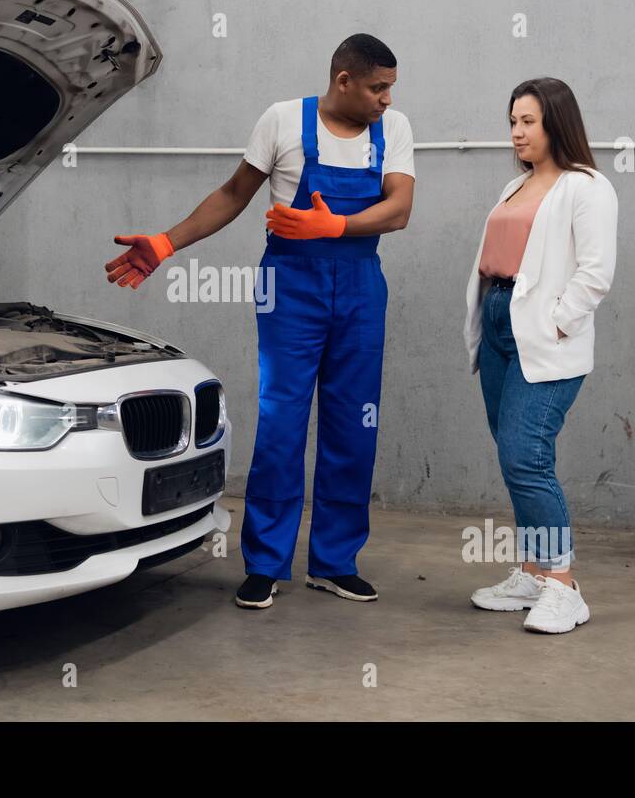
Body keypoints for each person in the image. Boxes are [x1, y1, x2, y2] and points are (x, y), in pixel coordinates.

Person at [104, 34, 415, 609]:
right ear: (343, 80)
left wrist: (337, 229)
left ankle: (335, 561)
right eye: (378, 87)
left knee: (354, 426)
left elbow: (399, 210)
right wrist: (166, 242)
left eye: (390, 88)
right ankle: (266, 563)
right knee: (281, 422)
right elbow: (233, 194)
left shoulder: (392, 132)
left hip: (360, 289)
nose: (387, 99)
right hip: (289, 288)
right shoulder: (282, 121)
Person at [463, 77, 617, 634]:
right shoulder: (515, 186)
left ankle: (564, 585)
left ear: (556, 121)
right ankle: (532, 572)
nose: (517, 132)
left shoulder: (586, 187)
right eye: (512, 121)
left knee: (527, 458)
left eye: (528, 121)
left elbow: (596, 272)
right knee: (512, 455)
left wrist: (557, 321)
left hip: (543, 336)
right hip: (501, 327)